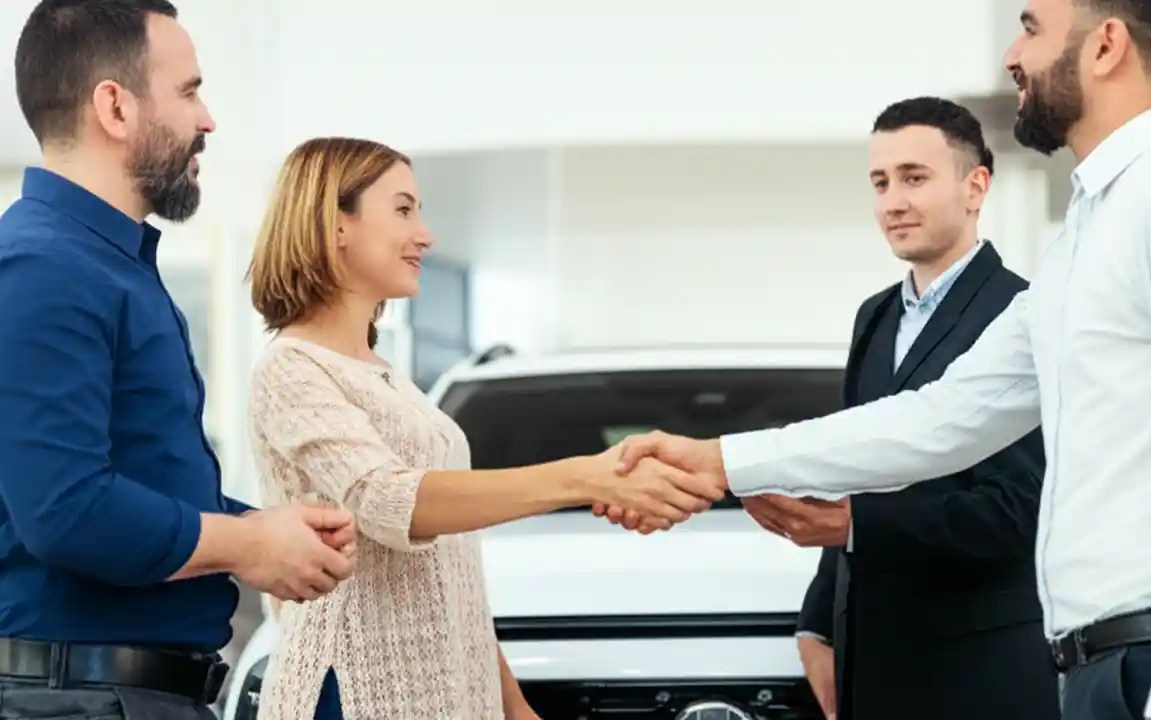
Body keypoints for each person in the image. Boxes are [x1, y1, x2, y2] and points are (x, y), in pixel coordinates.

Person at [610, 1, 1151, 719]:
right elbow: (944, 416)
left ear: (1106, 45)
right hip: (1105, 671)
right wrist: (720, 460)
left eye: (1030, 28)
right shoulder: (1091, 232)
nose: (1011, 58)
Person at [244, 136, 724, 720]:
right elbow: (390, 500)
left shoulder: (387, 379)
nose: (425, 234)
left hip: (451, 697)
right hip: (353, 691)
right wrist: (585, 479)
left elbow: (451, 575)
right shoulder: (291, 368)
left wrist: (514, 706)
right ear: (335, 223)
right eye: (403, 209)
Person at [0, 2, 358, 719]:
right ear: (115, 106)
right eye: (190, 90)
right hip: (81, 701)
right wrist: (246, 543)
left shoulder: (110, 266)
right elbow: (65, 510)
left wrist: (274, 534)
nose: (208, 119)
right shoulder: (45, 266)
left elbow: (143, 487)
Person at [782, 96, 1059, 720]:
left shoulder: (1022, 316)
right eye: (880, 182)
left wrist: (857, 525)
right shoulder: (875, 317)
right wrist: (818, 621)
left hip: (978, 668)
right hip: (871, 664)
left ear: (975, 186)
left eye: (914, 178)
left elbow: (1016, 511)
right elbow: (851, 471)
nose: (892, 202)